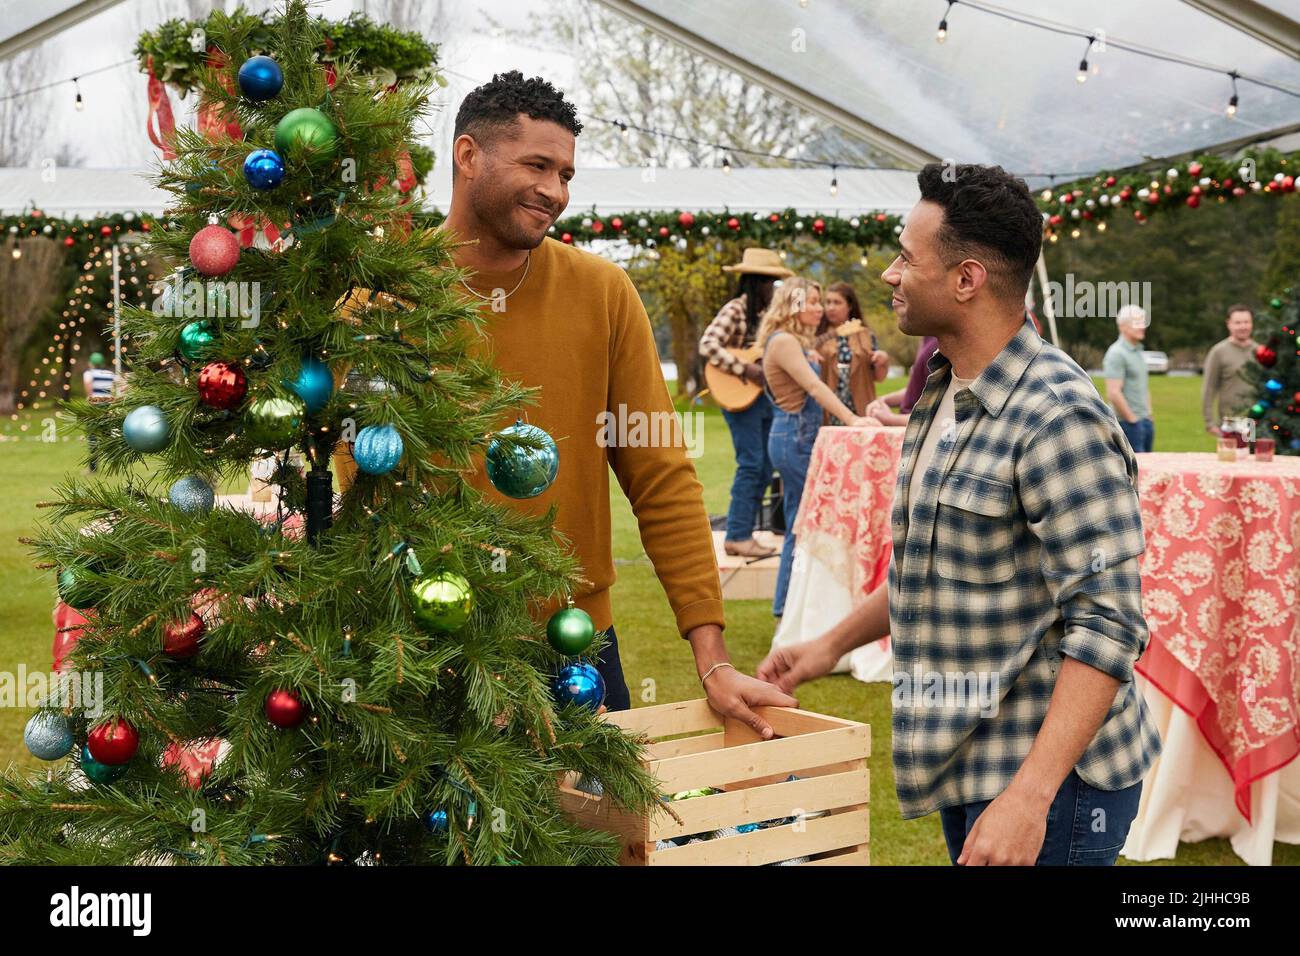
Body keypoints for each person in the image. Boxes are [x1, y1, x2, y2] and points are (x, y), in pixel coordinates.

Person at [758, 163, 1160, 866]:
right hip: (975, 759)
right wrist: (827, 646)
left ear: (967, 279)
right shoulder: (943, 389)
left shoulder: (1057, 414)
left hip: (1053, 786)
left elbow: (1109, 626)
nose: (889, 274)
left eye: (906, 258)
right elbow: (932, 570)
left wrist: (1031, 797)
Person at [426, 71, 795, 733]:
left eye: (566, 174)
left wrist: (711, 658)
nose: (555, 192)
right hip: (420, 654)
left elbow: (661, 475)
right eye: (537, 165)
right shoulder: (385, 294)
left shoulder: (602, 291)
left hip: (573, 650)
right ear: (467, 155)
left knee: (599, 839)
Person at [758, 277, 873, 619]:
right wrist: (852, 420)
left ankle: (790, 606)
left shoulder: (792, 341)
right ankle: (789, 607)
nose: (819, 308)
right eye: (811, 301)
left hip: (797, 435)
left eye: (820, 301)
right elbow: (814, 387)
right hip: (794, 436)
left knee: (801, 521)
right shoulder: (783, 342)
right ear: (793, 304)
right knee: (804, 524)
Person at [698, 248, 791, 559]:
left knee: (765, 467)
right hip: (740, 398)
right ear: (755, 283)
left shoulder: (768, 318)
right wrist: (746, 369)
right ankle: (738, 535)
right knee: (752, 465)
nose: (773, 288)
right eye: (769, 283)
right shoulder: (736, 309)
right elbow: (708, 344)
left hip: (763, 399)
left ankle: (744, 532)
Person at [816, 281, 890, 425]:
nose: (831, 307)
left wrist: (883, 361)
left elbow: (879, 377)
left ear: (849, 306)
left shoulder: (866, 335)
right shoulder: (817, 335)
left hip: (860, 404)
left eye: (837, 303)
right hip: (828, 408)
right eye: (828, 302)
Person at [1103, 304, 1154, 453]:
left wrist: (1149, 415)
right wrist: (1132, 419)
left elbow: (1143, 387)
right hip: (1128, 424)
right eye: (1137, 323)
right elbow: (1113, 392)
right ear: (1123, 326)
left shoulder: (1137, 351)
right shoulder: (1116, 353)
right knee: (1136, 473)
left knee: (1148, 472)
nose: (1142, 326)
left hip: (1145, 421)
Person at [1202, 304, 1259, 436]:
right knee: (1233, 456)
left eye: (1246, 322)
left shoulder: (1260, 352)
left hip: (1257, 421)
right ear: (1229, 324)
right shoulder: (1219, 352)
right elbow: (1209, 389)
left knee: (1257, 456)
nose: (1243, 326)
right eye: (1238, 322)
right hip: (1231, 421)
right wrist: (1209, 422)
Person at [866, 335, 938, 426]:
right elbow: (918, 389)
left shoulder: (938, 346)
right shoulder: (927, 338)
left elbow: (940, 418)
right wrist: (883, 400)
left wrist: (890, 419)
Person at [82, 352, 116, 473]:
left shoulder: (88, 374)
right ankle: (115, 464)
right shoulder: (109, 374)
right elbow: (115, 387)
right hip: (107, 405)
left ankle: (93, 467)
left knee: (93, 437)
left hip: (95, 405)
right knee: (107, 436)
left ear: (91, 363)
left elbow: (89, 388)